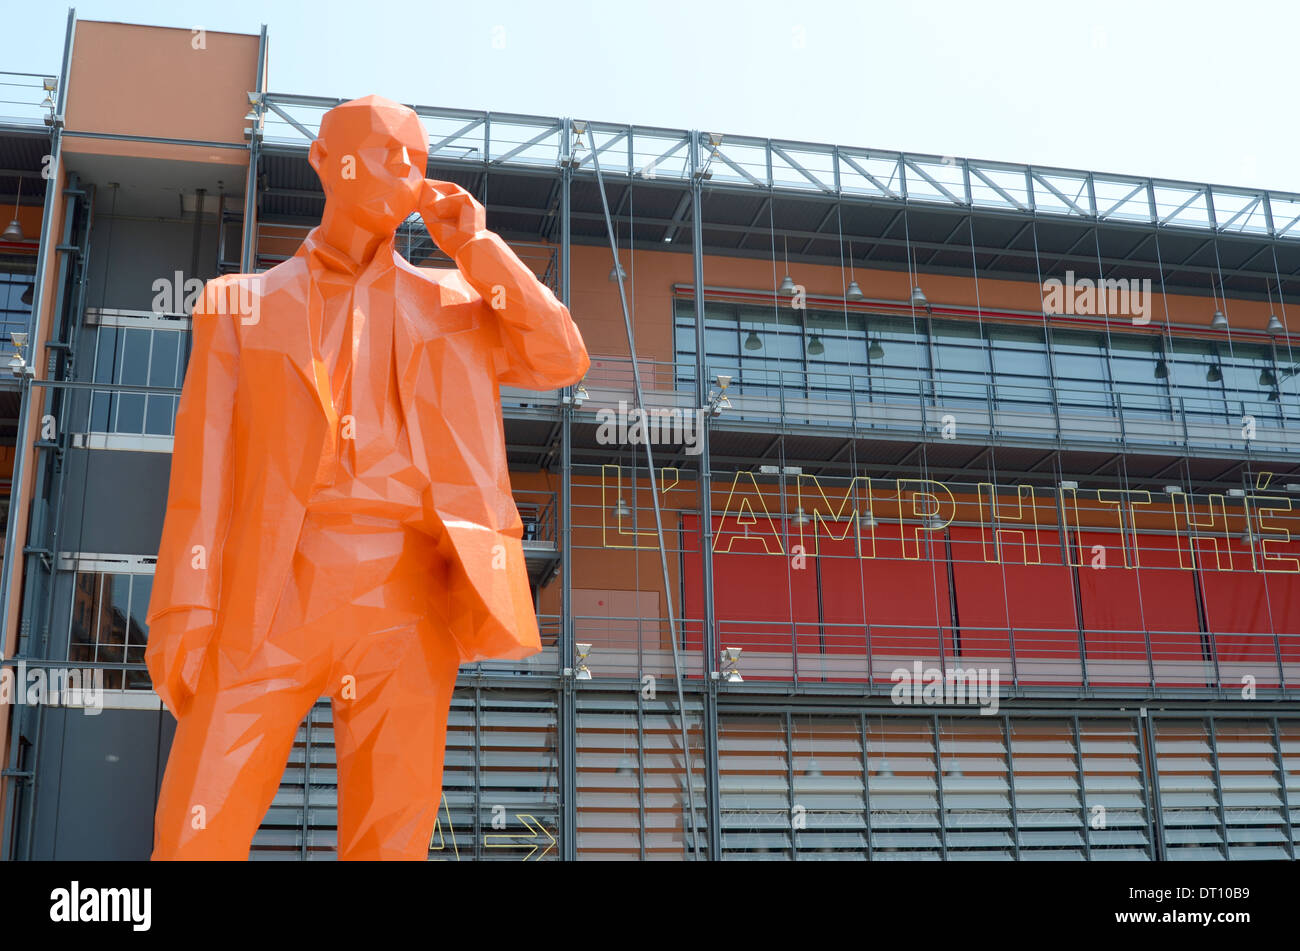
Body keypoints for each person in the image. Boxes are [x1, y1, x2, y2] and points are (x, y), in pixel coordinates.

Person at [145, 95, 589, 860]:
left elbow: (561, 354)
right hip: (274, 586)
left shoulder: (453, 304)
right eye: (384, 151)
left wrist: (476, 245)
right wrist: (182, 606)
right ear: (324, 159)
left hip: (407, 596)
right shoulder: (236, 307)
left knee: (392, 835)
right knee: (198, 824)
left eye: (415, 158)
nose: (403, 170)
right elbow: (203, 468)